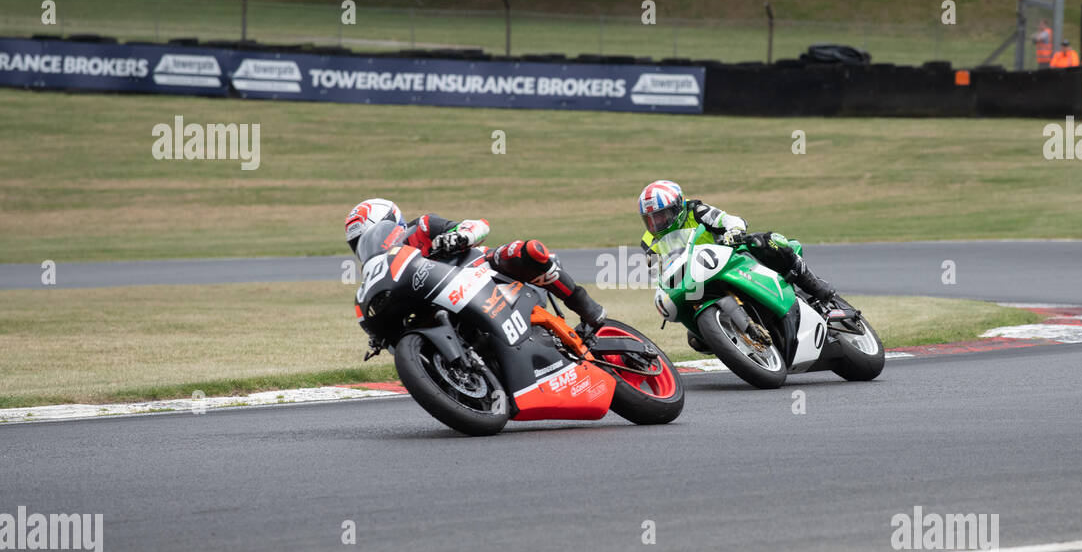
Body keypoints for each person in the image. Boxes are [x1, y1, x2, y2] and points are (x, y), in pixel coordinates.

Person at [344, 197, 607, 327]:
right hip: (452, 306)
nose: (365, 245)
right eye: (358, 244)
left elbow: (478, 225)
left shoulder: (422, 227)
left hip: (481, 271)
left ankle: (585, 305)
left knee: (525, 251)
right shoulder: (381, 272)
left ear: (394, 221)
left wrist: (459, 236)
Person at [637, 180, 838, 307]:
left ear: (677, 207)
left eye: (662, 216)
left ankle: (810, 281)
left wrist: (733, 232)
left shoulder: (695, 211)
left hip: (728, 257)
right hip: (695, 278)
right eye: (651, 219)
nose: (657, 223)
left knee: (763, 242)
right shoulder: (649, 241)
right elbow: (657, 272)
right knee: (695, 338)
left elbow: (730, 220)